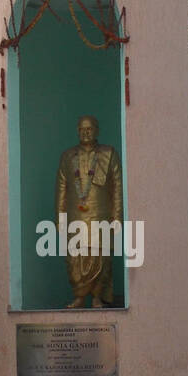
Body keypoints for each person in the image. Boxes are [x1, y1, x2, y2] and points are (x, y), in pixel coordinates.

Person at [55, 115, 123, 308]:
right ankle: (79, 296)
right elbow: (61, 188)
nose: (85, 132)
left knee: (100, 257)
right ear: (77, 131)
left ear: (97, 130)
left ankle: (97, 297)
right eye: (82, 129)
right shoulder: (67, 157)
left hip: (101, 216)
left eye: (89, 128)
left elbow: (117, 187)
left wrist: (116, 216)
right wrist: (60, 217)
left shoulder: (108, 154)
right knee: (74, 258)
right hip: (75, 218)